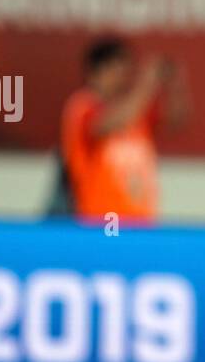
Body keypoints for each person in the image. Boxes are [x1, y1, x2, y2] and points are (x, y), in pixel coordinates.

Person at [59, 38, 190, 224]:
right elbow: (113, 123)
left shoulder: (135, 109)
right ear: (97, 72)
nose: (124, 78)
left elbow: (176, 120)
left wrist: (175, 85)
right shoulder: (82, 106)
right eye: (118, 70)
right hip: (100, 219)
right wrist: (147, 83)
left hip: (140, 218)